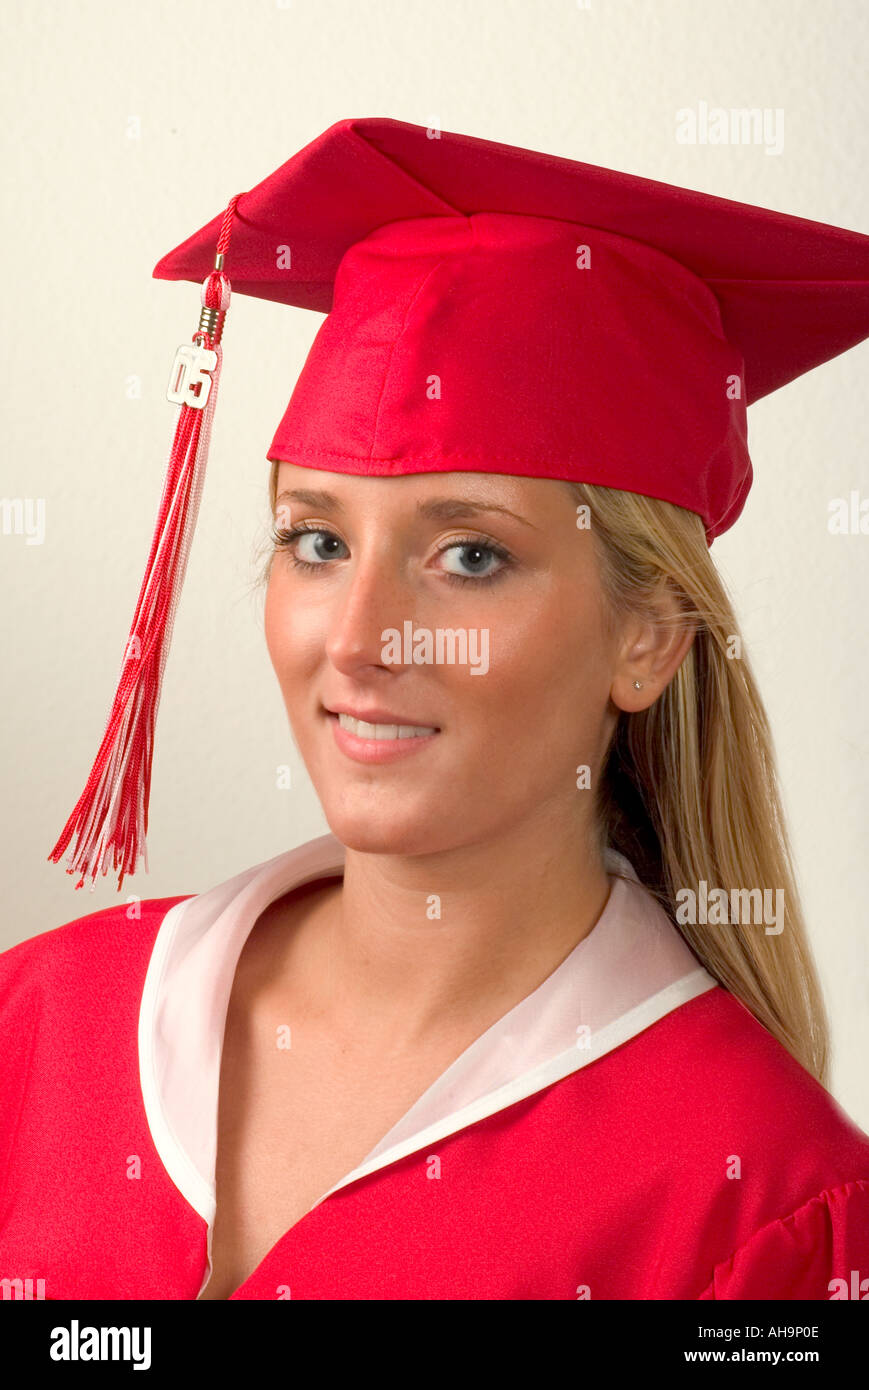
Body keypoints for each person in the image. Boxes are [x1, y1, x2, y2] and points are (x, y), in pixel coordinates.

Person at [2, 117, 869, 1301]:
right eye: (315, 540)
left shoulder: (757, 1212)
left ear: (647, 640)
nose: (357, 637)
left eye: (467, 556)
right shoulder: (43, 1026)